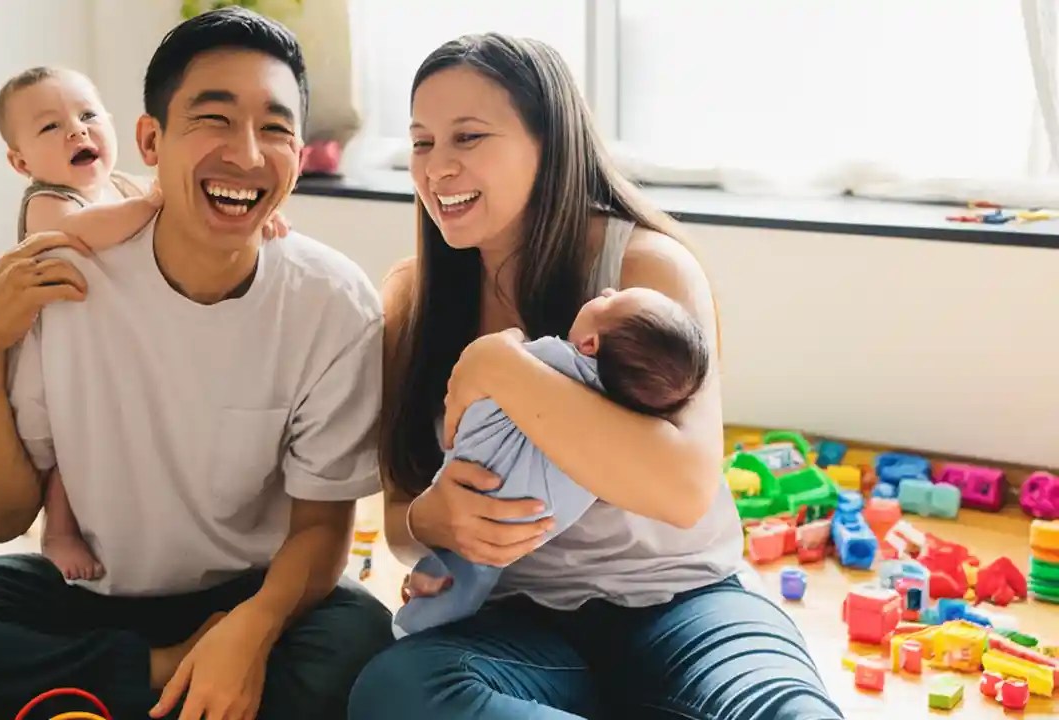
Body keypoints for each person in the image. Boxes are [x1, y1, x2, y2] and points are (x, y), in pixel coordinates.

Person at [0, 8, 394, 720]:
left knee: (360, 641)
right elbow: (2, 515)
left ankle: (86, 693)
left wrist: (252, 628)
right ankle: (162, 677)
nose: (246, 152)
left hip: (246, 594)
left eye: (274, 127)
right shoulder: (67, 277)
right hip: (84, 595)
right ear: (151, 139)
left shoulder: (333, 302)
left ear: (298, 154)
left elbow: (322, 529)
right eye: (214, 118)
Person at [348, 33, 844, 720]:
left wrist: (500, 365)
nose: (438, 168)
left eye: (469, 137)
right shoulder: (411, 297)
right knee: (394, 692)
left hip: (684, 605)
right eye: (423, 142)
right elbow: (404, 511)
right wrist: (428, 518)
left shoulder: (645, 271)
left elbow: (681, 490)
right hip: (517, 626)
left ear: (548, 144)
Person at [0, 64, 286, 581]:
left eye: (87, 115)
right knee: (63, 448)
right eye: (50, 127)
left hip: (113, 343)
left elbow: (189, 220)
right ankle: (59, 531)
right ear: (21, 161)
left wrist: (253, 218)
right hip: (55, 352)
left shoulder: (126, 186)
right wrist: (157, 199)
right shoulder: (48, 201)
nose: (77, 131)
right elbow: (84, 232)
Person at [394, 286, 711, 634]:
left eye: (609, 300)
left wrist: (501, 349)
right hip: (523, 526)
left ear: (590, 345)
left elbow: (492, 370)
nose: (606, 289)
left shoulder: (551, 358)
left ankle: (415, 625)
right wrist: (423, 520)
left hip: (498, 507)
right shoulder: (622, 422)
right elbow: (400, 520)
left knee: (461, 577)